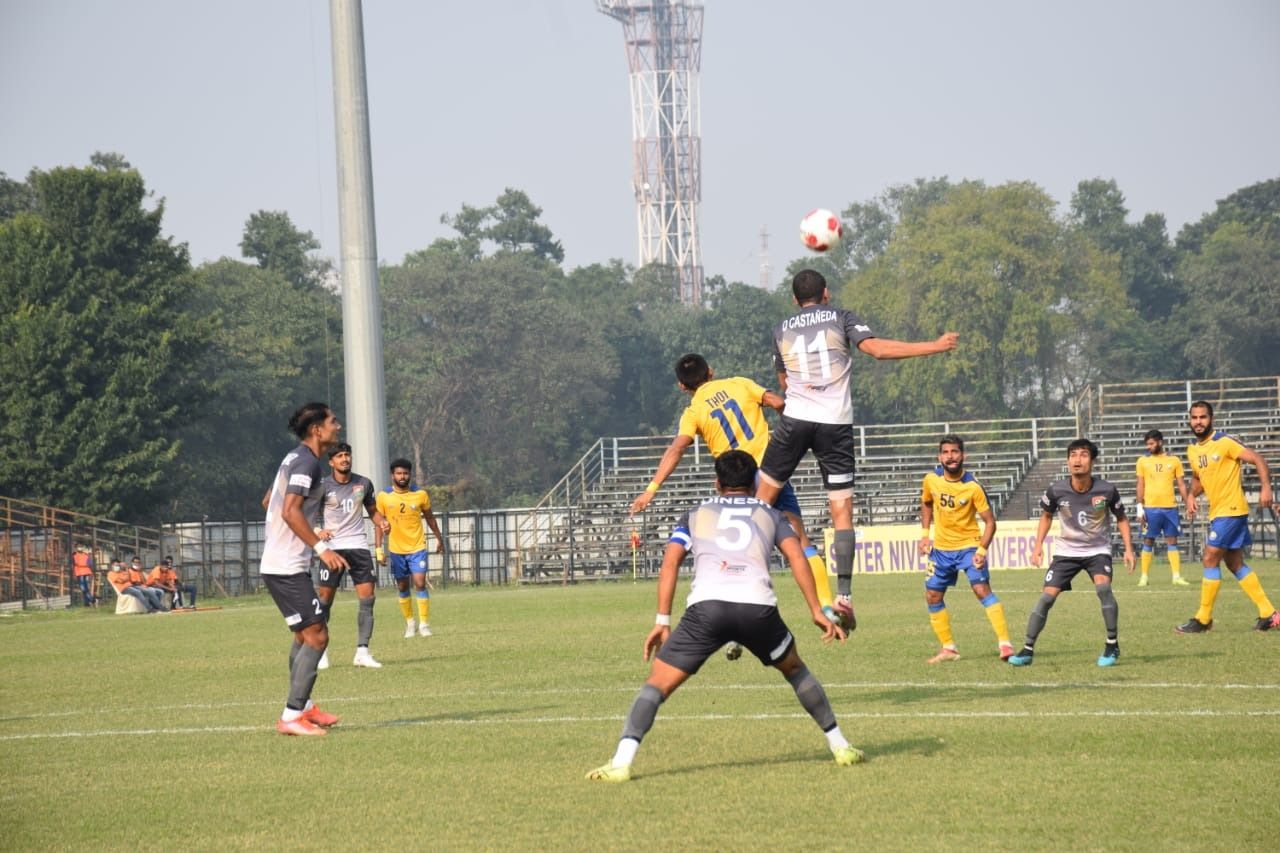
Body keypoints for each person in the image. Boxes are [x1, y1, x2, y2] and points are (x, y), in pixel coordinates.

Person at [587, 450, 859, 783]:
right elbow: (797, 557)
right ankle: (841, 746)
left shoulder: (696, 513)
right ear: (754, 482)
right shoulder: (772, 515)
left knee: (656, 686)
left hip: (707, 610)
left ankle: (621, 763)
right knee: (795, 670)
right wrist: (816, 609)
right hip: (757, 608)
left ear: (718, 482)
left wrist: (662, 620)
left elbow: (670, 562)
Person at [755, 269, 958, 631]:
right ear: (826, 294)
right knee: (842, 513)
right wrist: (935, 346)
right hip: (834, 425)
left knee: (758, 506)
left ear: (794, 299)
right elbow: (876, 351)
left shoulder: (781, 329)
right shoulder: (840, 317)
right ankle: (844, 597)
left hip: (795, 421)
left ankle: (744, 589)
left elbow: (784, 382)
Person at [628, 353, 839, 648]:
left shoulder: (694, 411)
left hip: (735, 483)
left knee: (736, 552)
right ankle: (826, 606)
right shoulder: (740, 384)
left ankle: (734, 629)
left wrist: (651, 488)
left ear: (681, 386)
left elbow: (677, 448)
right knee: (799, 540)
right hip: (770, 472)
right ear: (711, 371)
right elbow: (779, 403)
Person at [259, 402, 348, 736]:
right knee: (318, 636)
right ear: (317, 430)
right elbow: (289, 511)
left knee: (304, 634)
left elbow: (269, 501)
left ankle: (304, 706)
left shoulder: (293, 458)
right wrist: (321, 548)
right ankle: (292, 716)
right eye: (333, 421)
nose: (338, 426)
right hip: (285, 566)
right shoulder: (308, 462)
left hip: (281, 563)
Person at [1008, 439, 1136, 667]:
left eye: (1083, 455)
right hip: (1066, 552)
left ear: (1093, 461)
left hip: (1097, 550)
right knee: (1046, 598)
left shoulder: (1106, 490)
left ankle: (1112, 645)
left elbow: (1122, 519)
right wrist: (1038, 545)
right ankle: (1027, 650)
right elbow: (1046, 516)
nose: (1077, 460)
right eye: (1073, 455)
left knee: (1103, 588)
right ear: (1068, 460)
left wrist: (1128, 549)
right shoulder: (1056, 490)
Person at [1174, 401, 1278, 633]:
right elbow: (1199, 478)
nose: (1198, 422)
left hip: (1231, 510)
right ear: (1189, 420)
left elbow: (1259, 459)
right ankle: (1269, 613)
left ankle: (1203, 619)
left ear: (1211, 418)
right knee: (1234, 563)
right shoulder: (1193, 450)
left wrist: (1266, 488)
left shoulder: (1224, 442)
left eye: (1203, 417)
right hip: (1219, 512)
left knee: (1210, 558)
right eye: (1194, 417)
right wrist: (1191, 495)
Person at [917, 435, 1013, 663]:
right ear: (940, 456)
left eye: (955, 452)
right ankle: (949, 648)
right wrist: (924, 535)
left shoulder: (972, 487)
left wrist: (981, 551)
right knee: (932, 596)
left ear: (963, 455)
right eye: (946, 452)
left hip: (969, 547)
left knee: (981, 590)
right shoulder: (931, 480)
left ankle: (1005, 644)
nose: (950, 457)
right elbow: (926, 501)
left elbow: (990, 522)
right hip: (940, 549)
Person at [314, 442, 389, 669]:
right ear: (331, 462)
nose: (345, 459)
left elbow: (373, 512)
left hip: (358, 547)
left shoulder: (363, 483)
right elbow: (306, 516)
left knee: (368, 599)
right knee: (324, 602)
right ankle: (321, 651)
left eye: (347, 455)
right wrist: (319, 531)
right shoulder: (322, 486)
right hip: (332, 549)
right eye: (339, 456)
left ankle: (362, 652)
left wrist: (382, 522)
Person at [375, 458, 445, 639]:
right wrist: (378, 549)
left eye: (405, 473)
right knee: (403, 586)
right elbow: (379, 524)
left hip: (417, 547)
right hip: (396, 549)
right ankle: (410, 623)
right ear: (392, 475)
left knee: (420, 582)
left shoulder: (420, 494)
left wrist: (439, 538)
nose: (402, 476)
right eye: (399, 473)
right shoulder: (384, 496)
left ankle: (424, 624)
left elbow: (429, 517)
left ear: (410, 475)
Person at [1134, 428, 1194, 587]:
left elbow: (1181, 484)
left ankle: (1176, 577)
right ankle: (1144, 577)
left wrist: (1187, 501)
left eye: (1152, 443)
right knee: (1148, 540)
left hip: (1170, 508)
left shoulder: (1174, 461)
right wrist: (1139, 507)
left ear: (1160, 442)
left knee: (1172, 540)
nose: (1149, 447)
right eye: (1147, 444)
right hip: (1150, 508)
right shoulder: (1142, 461)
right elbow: (1140, 484)